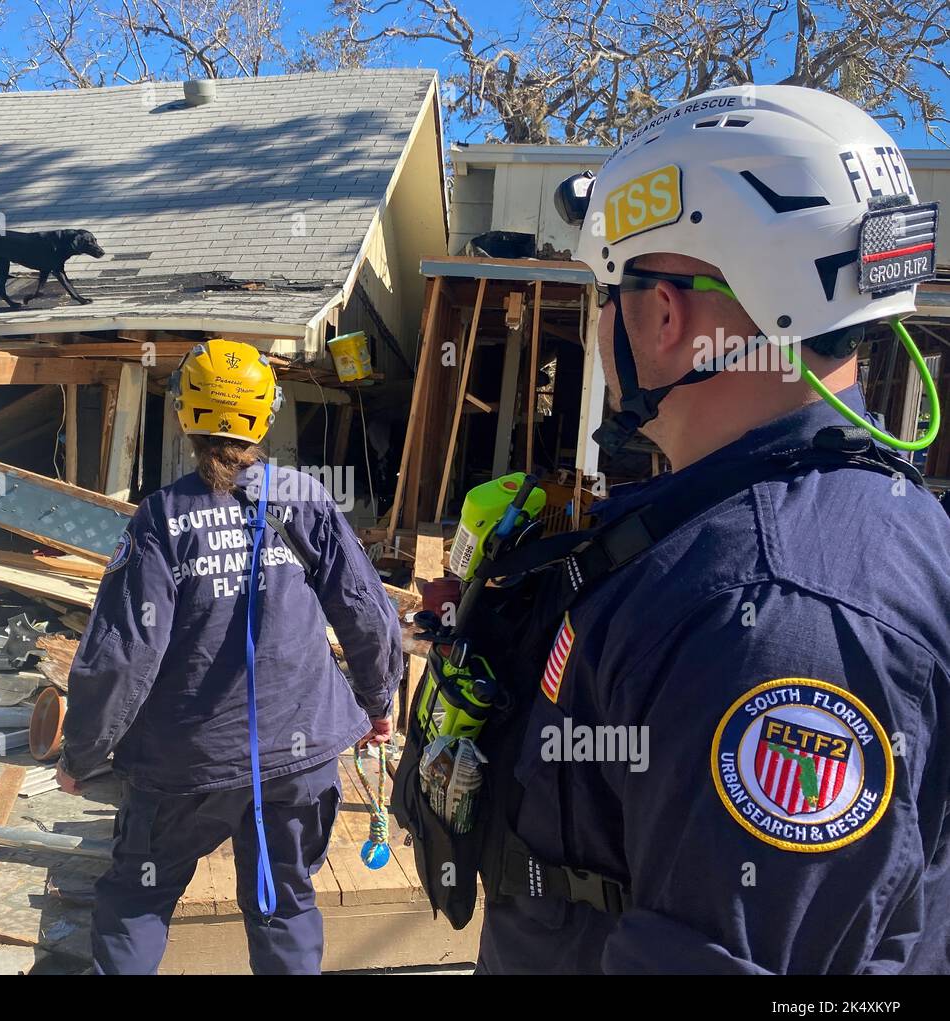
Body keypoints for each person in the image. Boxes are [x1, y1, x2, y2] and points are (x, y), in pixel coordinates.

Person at [470, 85, 950, 973]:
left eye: (607, 293)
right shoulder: (754, 523)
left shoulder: (775, 616)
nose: (600, 324)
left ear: (662, 313)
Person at [56, 339, 403, 975]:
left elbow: (123, 654)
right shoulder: (303, 497)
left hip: (185, 767)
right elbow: (365, 611)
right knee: (285, 904)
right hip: (300, 756)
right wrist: (381, 703)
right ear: (267, 416)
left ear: (186, 416)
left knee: (138, 897)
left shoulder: (162, 519)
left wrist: (81, 752)